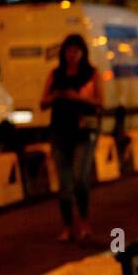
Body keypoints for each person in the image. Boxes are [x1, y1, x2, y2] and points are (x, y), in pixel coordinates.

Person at [40, 33, 101, 243]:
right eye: (68, 50)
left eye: (76, 51)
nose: (71, 55)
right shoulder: (55, 74)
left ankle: (84, 222)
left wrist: (79, 97)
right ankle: (67, 226)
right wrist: (56, 95)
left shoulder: (91, 74)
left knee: (79, 178)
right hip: (60, 132)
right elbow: (43, 102)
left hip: (84, 132)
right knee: (64, 183)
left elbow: (101, 102)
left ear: (82, 53)